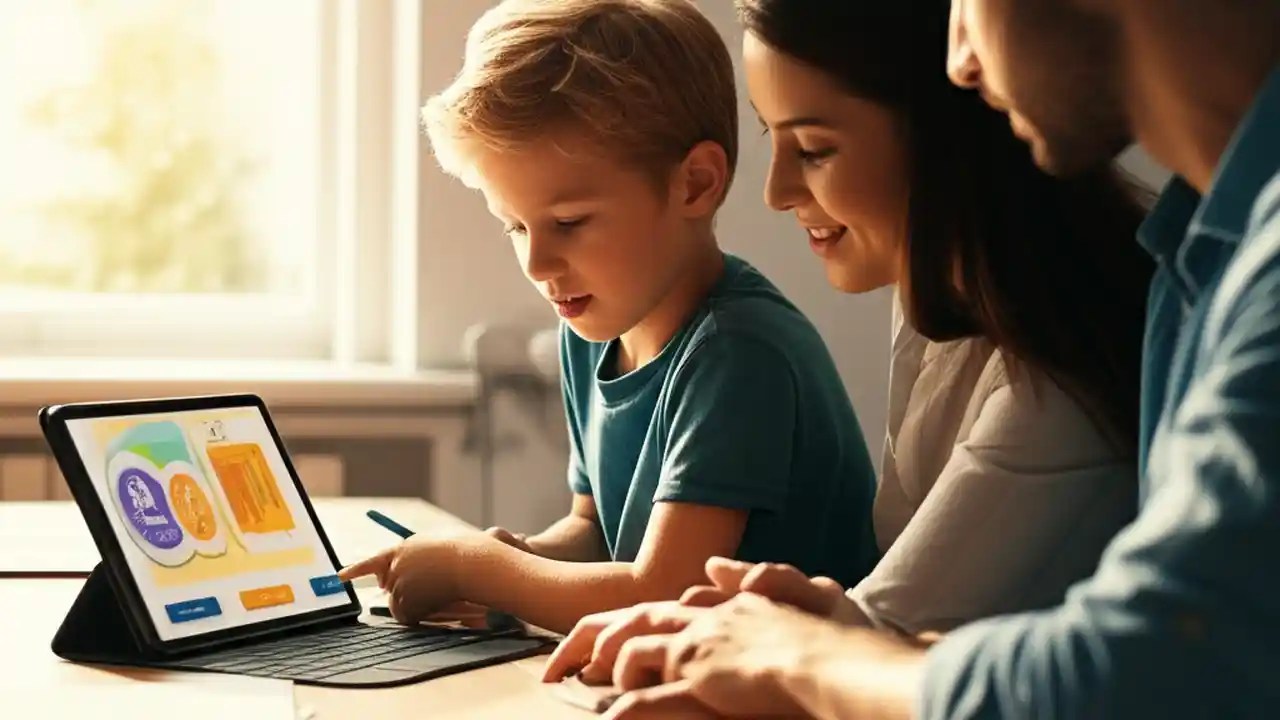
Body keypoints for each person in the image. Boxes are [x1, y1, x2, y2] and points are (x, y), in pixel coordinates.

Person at [546, 0, 1280, 717]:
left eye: (815, 147)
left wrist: (805, 656)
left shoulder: (1227, 286)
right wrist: (829, 632)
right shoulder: (1194, 256)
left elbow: (1143, 668)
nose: (961, 61)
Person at [337, 0, 878, 635]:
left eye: (568, 223)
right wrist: (521, 559)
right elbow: (594, 533)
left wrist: (475, 567)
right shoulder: (590, 333)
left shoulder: (738, 352)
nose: (538, 262)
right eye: (514, 224)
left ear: (695, 185)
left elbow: (664, 590)